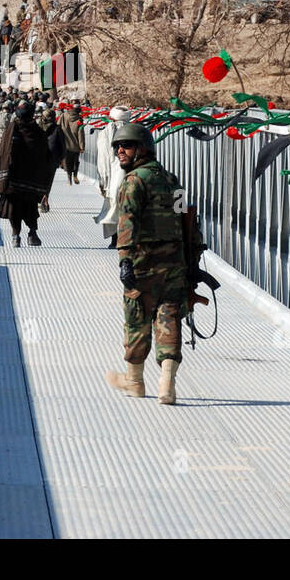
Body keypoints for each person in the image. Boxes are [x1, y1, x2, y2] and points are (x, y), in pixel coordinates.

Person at [104, 121, 188, 405]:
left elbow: (126, 221)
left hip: (143, 262)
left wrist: (125, 260)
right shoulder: (172, 180)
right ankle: (167, 385)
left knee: (137, 319)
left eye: (126, 146)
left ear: (142, 149)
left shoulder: (134, 181)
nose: (120, 152)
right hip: (174, 263)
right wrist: (192, 259)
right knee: (169, 318)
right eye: (117, 147)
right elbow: (186, 219)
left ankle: (135, 382)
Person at [0, 100, 53, 247]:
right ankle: (32, 233)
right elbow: (46, 157)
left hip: (13, 179)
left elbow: (1, 153)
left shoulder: (12, 130)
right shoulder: (38, 133)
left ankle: (15, 236)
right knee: (30, 207)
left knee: (13, 207)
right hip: (31, 180)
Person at [97, 106, 129, 247]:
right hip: (131, 175)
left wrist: (103, 181)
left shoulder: (106, 133)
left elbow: (103, 159)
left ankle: (115, 239)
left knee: (113, 207)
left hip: (113, 176)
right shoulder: (136, 132)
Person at [58, 101, 84, 183]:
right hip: (76, 145)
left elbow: (58, 126)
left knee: (67, 161)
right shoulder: (79, 119)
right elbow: (81, 134)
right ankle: (75, 175)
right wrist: (82, 146)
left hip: (65, 144)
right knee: (76, 161)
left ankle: (69, 177)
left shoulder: (63, 116)